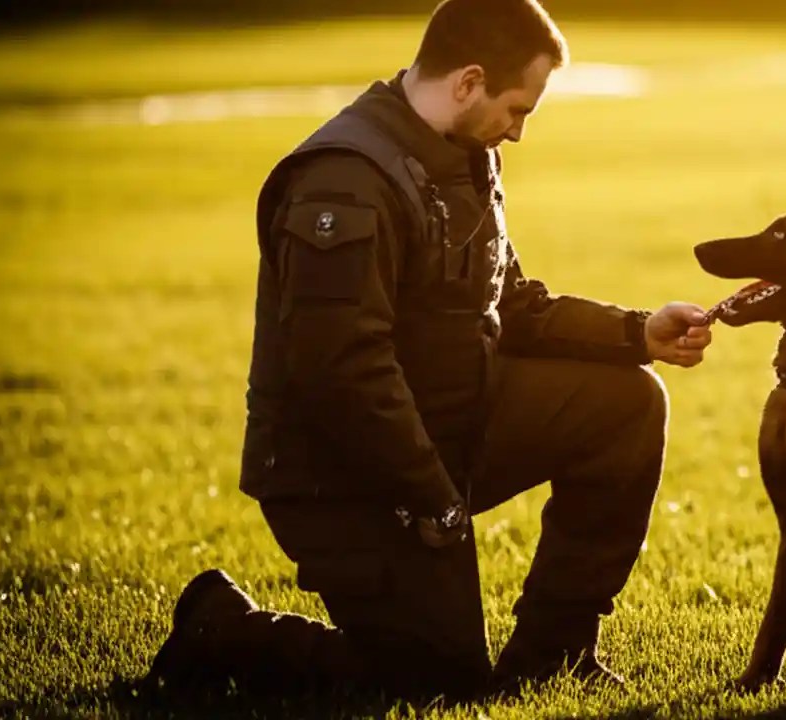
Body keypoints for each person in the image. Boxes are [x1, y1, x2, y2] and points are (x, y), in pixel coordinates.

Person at [144, 0, 712, 701]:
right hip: (345, 476)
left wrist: (636, 332)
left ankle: (552, 654)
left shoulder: (465, 152)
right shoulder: (344, 180)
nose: (520, 131)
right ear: (468, 81)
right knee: (435, 686)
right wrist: (434, 501)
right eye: (517, 109)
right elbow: (342, 376)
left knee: (625, 403)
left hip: (444, 431)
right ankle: (222, 630)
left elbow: (510, 301)